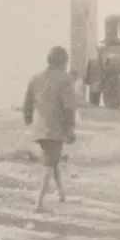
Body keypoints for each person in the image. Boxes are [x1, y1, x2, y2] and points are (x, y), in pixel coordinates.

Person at [23, 46, 78, 212]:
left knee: (53, 161)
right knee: (49, 164)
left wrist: (28, 121)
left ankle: (62, 194)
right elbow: (69, 107)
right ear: (63, 62)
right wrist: (70, 130)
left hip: (39, 128)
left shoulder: (36, 78)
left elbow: (27, 104)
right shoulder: (66, 79)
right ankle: (39, 202)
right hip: (56, 129)